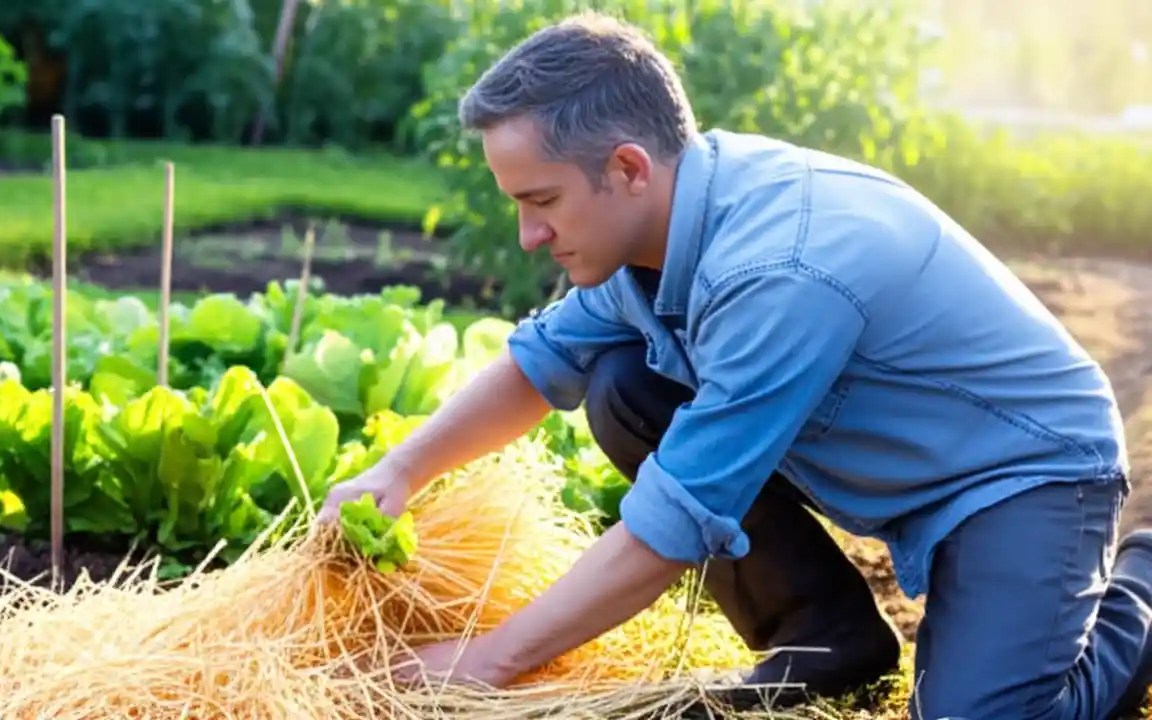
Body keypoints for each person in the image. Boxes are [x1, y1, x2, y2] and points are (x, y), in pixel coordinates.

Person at [315, 11, 1152, 719]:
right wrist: (398, 471)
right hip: (909, 455)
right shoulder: (656, 224)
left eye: (541, 202)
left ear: (628, 169)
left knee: (981, 714)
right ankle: (826, 641)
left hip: (1023, 470)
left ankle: (1143, 585)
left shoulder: (780, 270)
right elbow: (542, 361)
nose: (530, 235)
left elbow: (676, 522)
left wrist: (491, 661)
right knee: (625, 388)